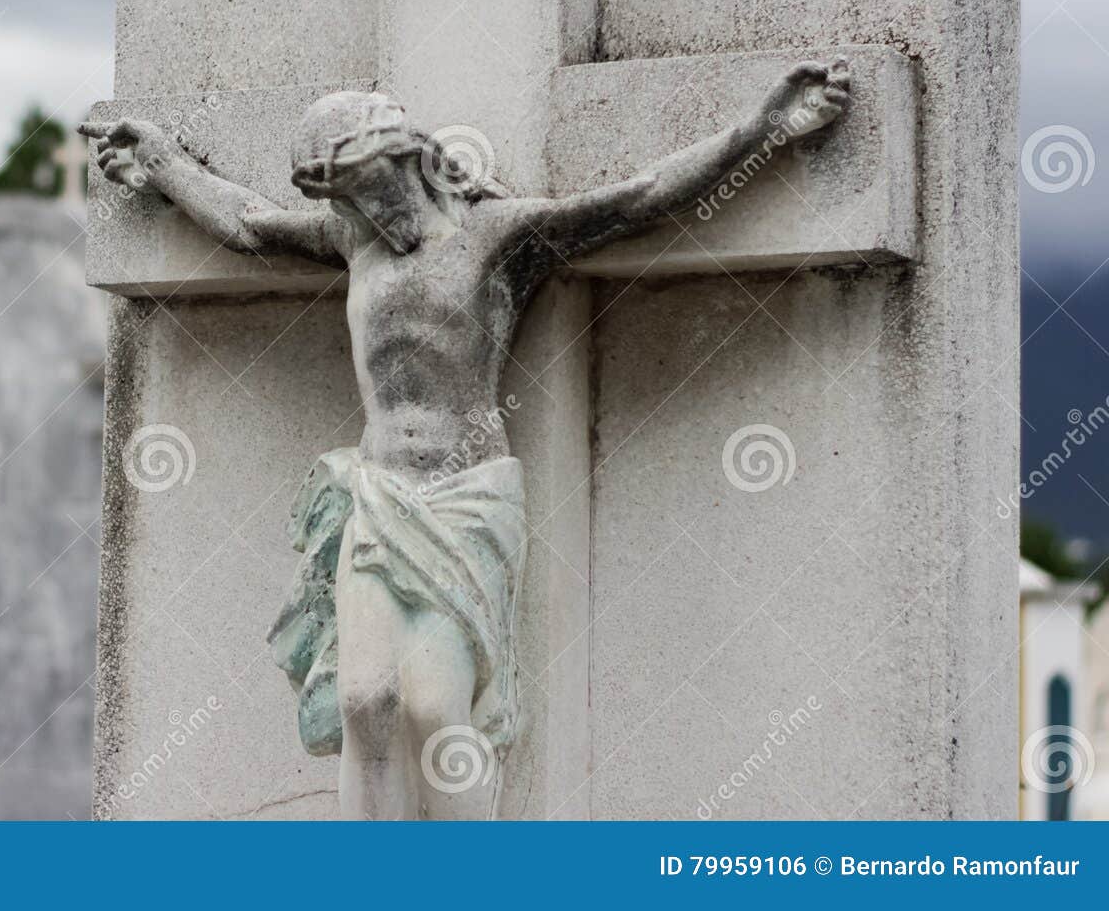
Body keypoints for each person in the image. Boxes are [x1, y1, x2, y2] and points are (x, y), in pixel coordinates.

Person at [82, 58, 851, 819]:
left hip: (464, 496)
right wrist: (161, 161)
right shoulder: (354, 243)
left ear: (409, 159)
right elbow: (247, 224)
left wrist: (765, 128)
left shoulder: (498, 234)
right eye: (345, 199)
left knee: (433, 708)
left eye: (367, 189)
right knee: (363, 699)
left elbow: (640, 199)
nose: (365, 212)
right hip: (379, 493)